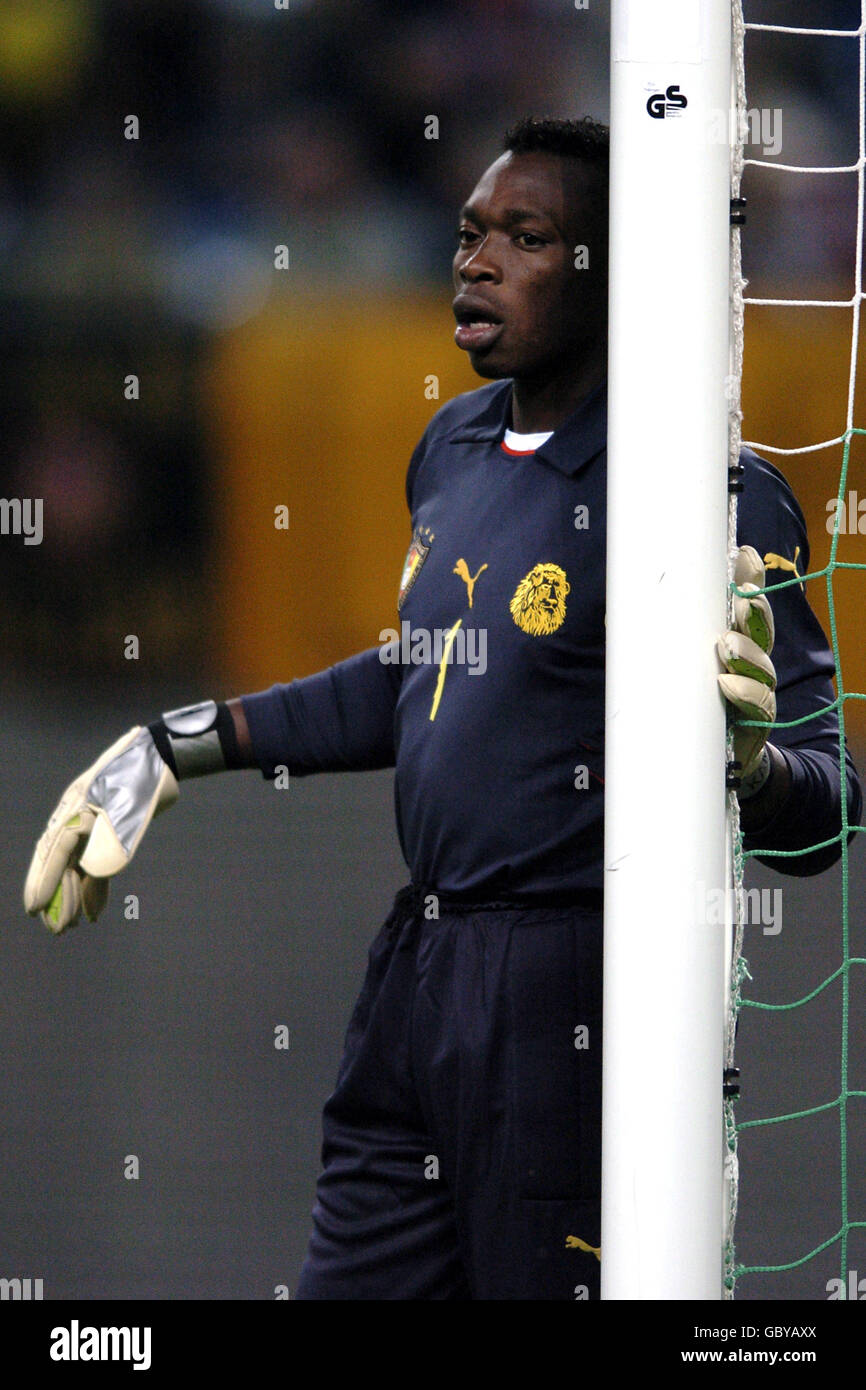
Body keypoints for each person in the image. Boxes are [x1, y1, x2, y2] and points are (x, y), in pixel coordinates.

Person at [24, 117, 862, 1300]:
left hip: (576, 992)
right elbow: (416, 672)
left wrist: (745, 768)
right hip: (418, 970)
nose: (474, 261)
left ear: (615, 272)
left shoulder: (707, 490)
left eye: (525, 237)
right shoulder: (453, 444)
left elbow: (825, 808)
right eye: (469, 233)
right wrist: (179, 744)